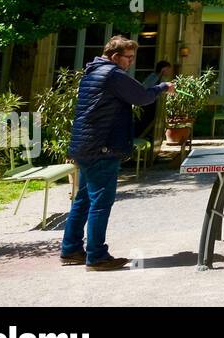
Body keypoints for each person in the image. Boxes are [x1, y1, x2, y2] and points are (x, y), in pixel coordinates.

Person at [61, 36, 174, 270]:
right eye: (128, 58)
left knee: (82, 200)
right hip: (102, 146)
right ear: (115, 56)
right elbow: (142, 97)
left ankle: (71, 249)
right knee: (100, 203)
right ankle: (97, 256)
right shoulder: (112, 74)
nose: (130, 62)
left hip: (85, 145)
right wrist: (163, 87)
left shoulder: (92, 71)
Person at [135, 60, 172, 142]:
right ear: (164, 69)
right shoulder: (153, 77)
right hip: (146, 107)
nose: (169, 72)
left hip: (152, 106)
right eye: (168, 69)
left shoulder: (159, 78)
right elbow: (144, 89)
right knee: (143, 126)